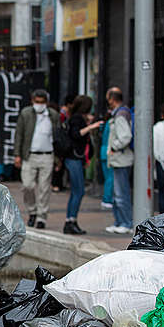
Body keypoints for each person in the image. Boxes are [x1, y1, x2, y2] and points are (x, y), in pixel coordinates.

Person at [13, 89, 55, 230]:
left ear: (46, 103)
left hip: (48, 155)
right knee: (28, 185)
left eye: (42, 102)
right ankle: (32, 211)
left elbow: (58, 135)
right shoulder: (26, 114)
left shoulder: (53, 115)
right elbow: (19, 134)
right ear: (32, 101)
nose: (40, 105)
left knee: (44, 187)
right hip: (29, 155)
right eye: (37, 102)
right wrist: (17, 154)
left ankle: (42, 217)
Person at [62, 96, 100, 236]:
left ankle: (71, 220)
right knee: (78, 191)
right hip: (74, 158)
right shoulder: (77, 119)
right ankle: (70, 221)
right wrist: (90, 127)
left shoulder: (76, 118)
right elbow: (76, 134)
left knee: (76, 191)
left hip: (75, 159)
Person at [104, 87, 134, 235]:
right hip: (118, 159)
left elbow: (125, 136)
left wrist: (114, 147)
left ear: (112, 99)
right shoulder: (120, 113)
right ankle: (119, 222)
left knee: (121, 193)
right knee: (118, 193)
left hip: (121, 159)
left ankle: (126, 222)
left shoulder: (121, 115)